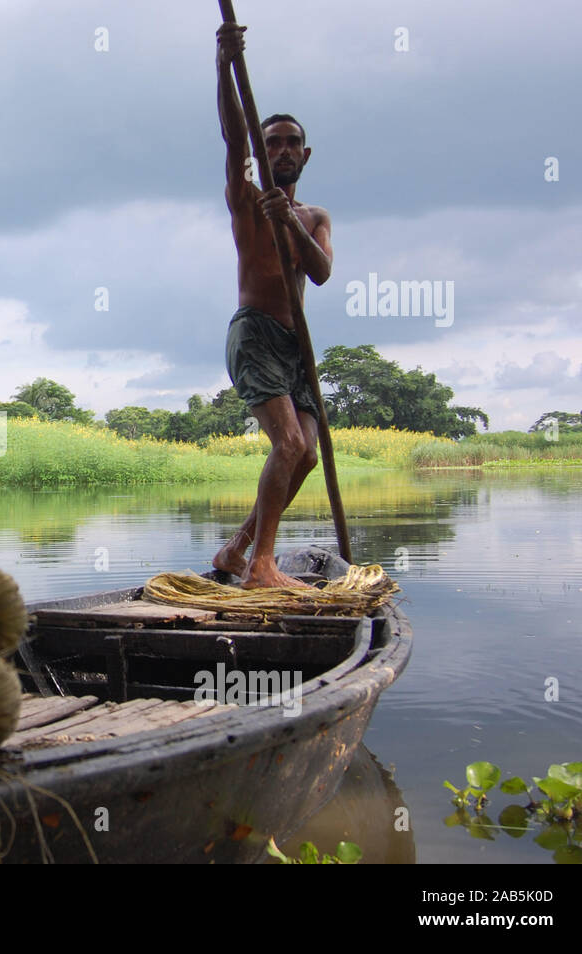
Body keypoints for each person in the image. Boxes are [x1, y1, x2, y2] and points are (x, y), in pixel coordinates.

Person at [213, 22, 334, 589]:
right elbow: (234, 141)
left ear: (304, 154)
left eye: (291, 142)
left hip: (295, 346)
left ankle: (236, 548)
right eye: (273, 142)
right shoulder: (245, 198)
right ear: (264, 152)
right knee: (286, 443)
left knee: (305, 456)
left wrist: (291, 224)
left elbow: (322, 272)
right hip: (256, 332)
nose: (281, 150)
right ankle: (263, 567)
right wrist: (224, 66)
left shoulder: (314, 217)